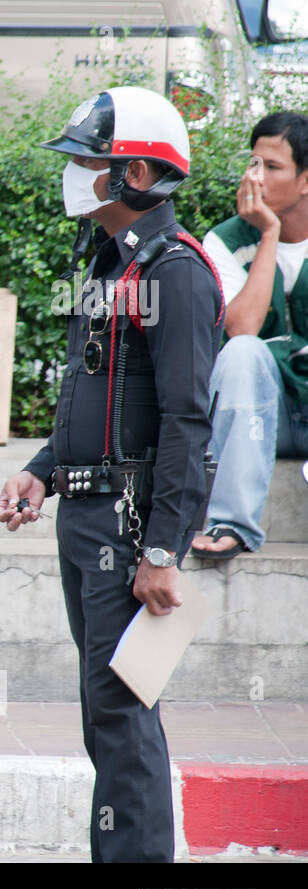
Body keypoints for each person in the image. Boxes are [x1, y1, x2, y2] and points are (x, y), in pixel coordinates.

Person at [0, 87, 224, 863]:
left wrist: (164, 550)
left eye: (87, 160)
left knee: (121, 716)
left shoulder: (178, 272)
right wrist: (42, 471)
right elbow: (96, 398)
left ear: (133, 173)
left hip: (128, 533)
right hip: (86, 516)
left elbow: (187, 421)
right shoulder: (109, 263)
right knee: (109, 712)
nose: (74, 172)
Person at [189, 111, 308, 559]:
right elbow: (241, 329)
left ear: (305, 180)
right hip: (265, 415)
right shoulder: (224, 241)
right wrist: (270, 235)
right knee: (241, 352)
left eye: (271, 167)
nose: (253, 176)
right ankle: (232, 523)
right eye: (252, 162)